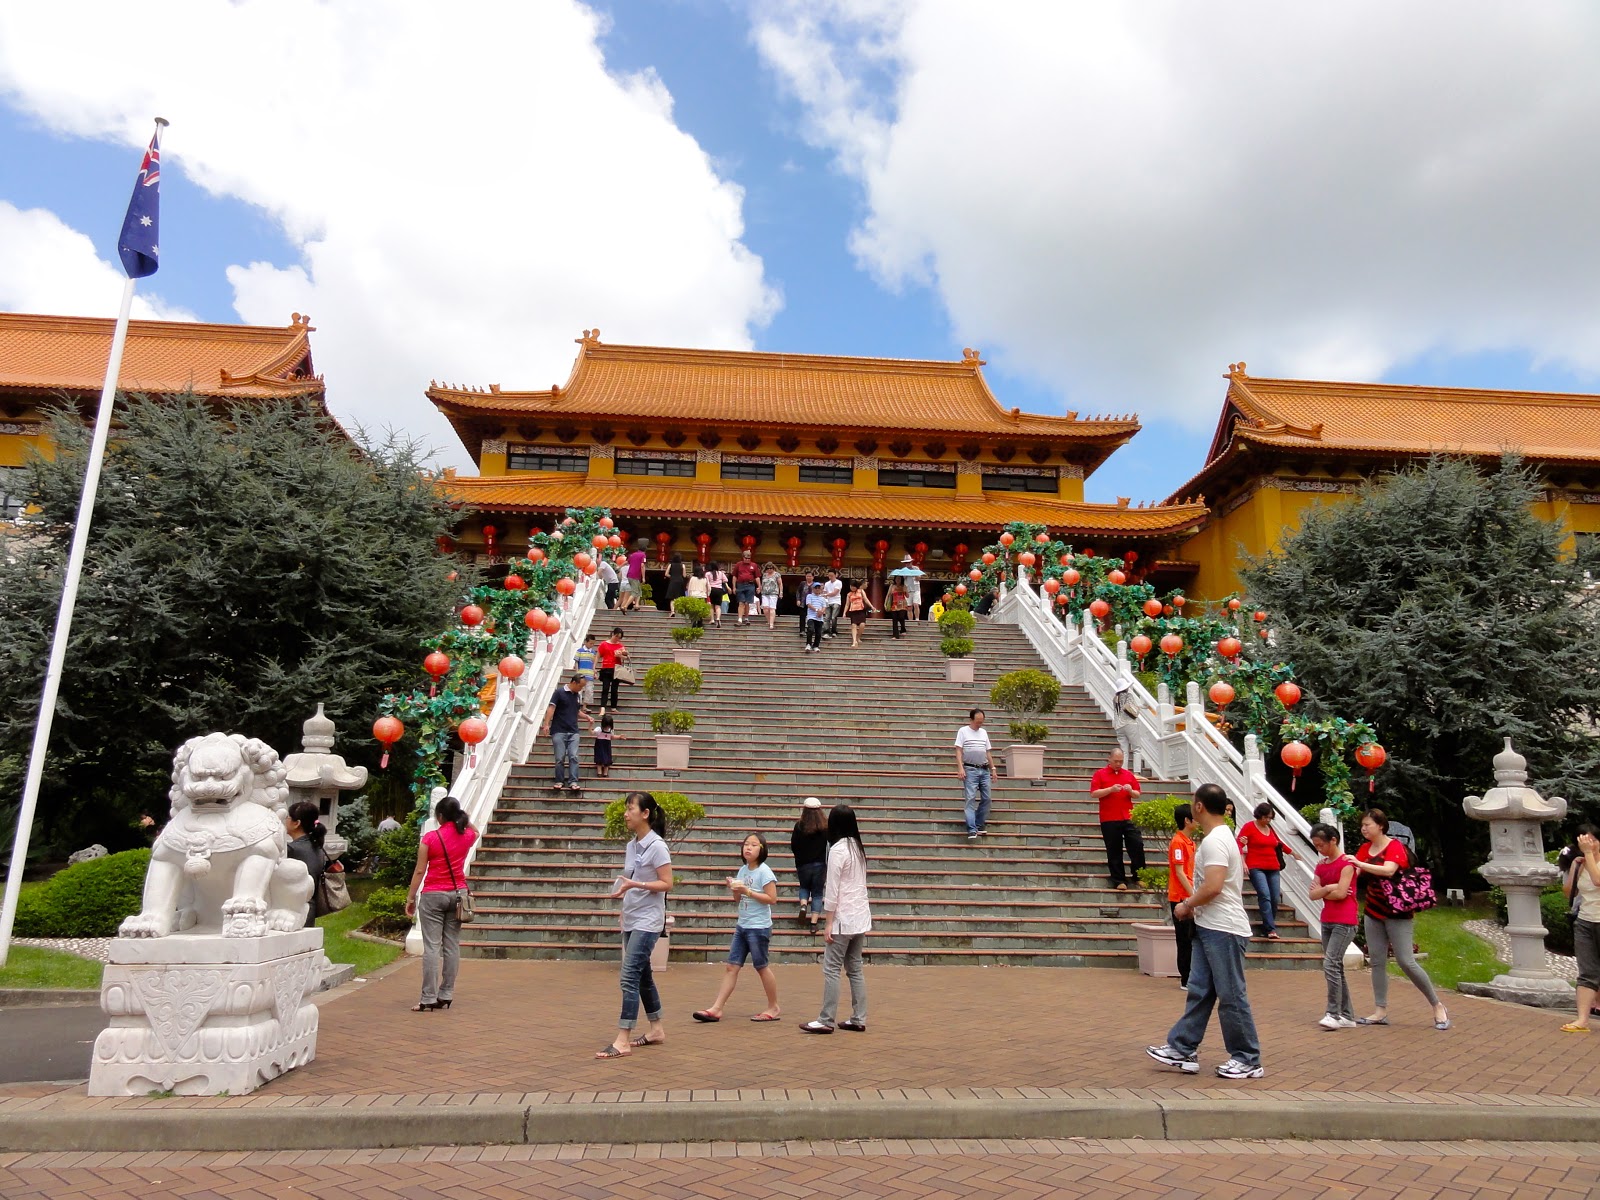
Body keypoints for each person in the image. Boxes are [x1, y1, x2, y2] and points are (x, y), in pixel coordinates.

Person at [1146, 782, 1264, 1079]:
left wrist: (1186, 905)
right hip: (1211, 925)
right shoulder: (1219, 837)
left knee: (1231, 995)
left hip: (1223, 928)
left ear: (1199, 806)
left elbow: (1213, 886)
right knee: (1200, 991)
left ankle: (1248, 1058)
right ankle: (1183, 1047)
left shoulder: (1215, 841)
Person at [1352, 807, 1449, 1030]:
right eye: (1362, 825)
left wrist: (1359, 864)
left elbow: (1388, 870)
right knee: (1377, 961)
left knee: (1406, 961)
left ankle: (1437, 1006)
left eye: (1367, 825)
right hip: (1373, 910)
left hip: (1398, 911)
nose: (1363, 829)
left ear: (1380, 826)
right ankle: (1380, 1010)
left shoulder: (1395, 846)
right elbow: (1353, 875)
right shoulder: (1365, 849)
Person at [598, 791, 672, 1058]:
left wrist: (636, 885)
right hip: (631, 916)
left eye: (630, 809)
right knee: (642, 976)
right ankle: (656, 1029)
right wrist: (623, 894)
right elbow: (629, 878)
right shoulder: (632, 845)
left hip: (649, 921)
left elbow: (667, 883)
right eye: (626, 809)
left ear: (645, 814)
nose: (626, 814)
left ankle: (623, 1039)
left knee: (628, 975)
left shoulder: (657, 846)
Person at [692, 834, 781, 1022]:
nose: (748, 848)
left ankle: (773, 1007)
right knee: (731, 966)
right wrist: (735, 889)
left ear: (762, 850)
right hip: (743, 925)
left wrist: (747, 891)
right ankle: (716, 1008)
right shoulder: (743, 870)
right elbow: (738, 900)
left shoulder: (765, 872)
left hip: (759, 927)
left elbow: (772, 898)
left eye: (754, 845)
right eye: (746, 844)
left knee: (762, 966)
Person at [800, 805, 871, 1034]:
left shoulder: (839, 850)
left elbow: (832, 890)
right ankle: (858, 1017)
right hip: (859, 916)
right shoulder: (858, 848)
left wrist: (827, 922)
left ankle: (826, 1019)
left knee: (831, 968)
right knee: (855, 969)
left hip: (843, 917)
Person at [404, 794, 477, 1012]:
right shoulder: (466, 836)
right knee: (451, 945)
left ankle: (428, 997)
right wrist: (465, 816)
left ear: (440, 816)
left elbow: (420, 870)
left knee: (432, 948)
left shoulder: (430, 838)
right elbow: (476, 830)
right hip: (458, 894)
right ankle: (446, 993)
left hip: (433, 894)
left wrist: (410, 897)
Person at [1308, 823, 1358, 1031]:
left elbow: (1342, 893)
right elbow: (1312, 894)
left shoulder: (1347, 864)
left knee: (1331, 964)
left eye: (1321, 845)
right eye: (1316, 846)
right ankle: (1346, 1015)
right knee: (1335, 966)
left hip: (1345, 920)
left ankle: (1333, 1013)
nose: (1319, 849)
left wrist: (1324, 890)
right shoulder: (1321, 865)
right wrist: (1329, 887)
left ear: (1333, 840)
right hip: (1327, 918)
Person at [1562, 825, 1600, 1033]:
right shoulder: (1582, 863)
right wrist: (1576, 867)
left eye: (1593, 840)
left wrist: (1589, 855)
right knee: (1587, 971)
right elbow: (1569, 891)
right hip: (1586, 920)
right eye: (1585, 841)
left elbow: (1598, 880)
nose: (1589, 844)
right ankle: (1582, 1019)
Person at [1090, 746, 1145, 890]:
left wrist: (1130, 790)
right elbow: (1094, 793)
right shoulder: (1100, 774)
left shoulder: (1128, 775)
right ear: (1109, 759)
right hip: (1109, 818)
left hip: (1128, 816)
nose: (1119, 764)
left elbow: (1138, 793)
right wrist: (1110, 789)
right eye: (1116, 761)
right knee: (1114, 849)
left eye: (1121, 761)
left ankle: (1139, 875)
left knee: (1137, 845)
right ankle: (1119, 879)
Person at [1237, 802, 1294, 940]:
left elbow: (1278, 843)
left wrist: (1292, 853)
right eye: (1266, 817)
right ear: (1259, 815)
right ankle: (1270, 929)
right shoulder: (1249, 827)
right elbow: (1239, 844)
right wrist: (1243, 862)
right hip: (1255, 866)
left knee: (1274, 897)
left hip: (1273, 866)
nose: (1268, 820)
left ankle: (1267, 925)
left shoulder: (1270, 828)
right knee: (1264, 894)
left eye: (1270, 818)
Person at [541, 674, 590, 793]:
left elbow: (576, 711)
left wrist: (587, 717)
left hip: (573, 730)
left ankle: (573, 781)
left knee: (573, 756)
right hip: (559, 730)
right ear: (574, 682)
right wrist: (546, 724)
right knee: (560, 757)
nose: (581, 689)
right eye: (580, 686)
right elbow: (551, 708)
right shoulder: (559, 692)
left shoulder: (577, 696)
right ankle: (559, 780)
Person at [1167, 802, 1197, 988]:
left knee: (1191, 937)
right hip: (1180, 897)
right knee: (1184, 939)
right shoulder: (1178, 842)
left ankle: (1192, 975)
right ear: (1187, 820)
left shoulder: (1190, 842)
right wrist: (1193, 894)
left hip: (1188, 895)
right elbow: (1179, 872)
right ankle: (1185, 977)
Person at [284, 801, 327, 929]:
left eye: (287, 818)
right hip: (310, 908)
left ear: (296, 823)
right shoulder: (317, 847)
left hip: (292, 910)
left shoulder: (292, 849)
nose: (284, 821)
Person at [953, 708, 993, 841]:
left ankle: (978, 824)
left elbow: (987, 752)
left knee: (987, 799)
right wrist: (960, 768)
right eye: (977, 722)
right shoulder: (963, 731)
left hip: (984, 769)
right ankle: (971, 829)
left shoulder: (984, 732)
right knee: (970, 799)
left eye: (981, 722)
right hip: (970, 769)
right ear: (971, 720)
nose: (979, 724)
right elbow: (959, 750)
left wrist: (993, 768)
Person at [791, 797, 829, 932]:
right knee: (817, 893)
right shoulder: (825, 827)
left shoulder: (799, 826)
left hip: (803, 864)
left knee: (804, 887)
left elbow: (794, 845)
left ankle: (803, 904)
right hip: (820, 864)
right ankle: (813, 923)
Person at [596, 627, 627, 710]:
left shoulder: (620, 646)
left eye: (619, 637)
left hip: (616, 668)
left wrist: (620, 655)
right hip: (606, 668)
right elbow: (598, 656)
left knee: (614, 689)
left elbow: (625, 657)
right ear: (613, 634)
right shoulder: (604, 644)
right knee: (605, 688)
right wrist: (594, 667)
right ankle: (603, 706)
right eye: (616, 636)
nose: (617, 639)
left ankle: (613, 706)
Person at [732, 549, 760, 626]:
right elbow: (734, 576)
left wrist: (759, 586)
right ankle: (740, 619)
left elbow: (757, 577)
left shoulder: (754, 565)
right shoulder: (738, 564)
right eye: (746, 558)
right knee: (741, 602)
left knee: (747, 603)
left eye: (749, 558)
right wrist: (734, 587)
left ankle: (746, 618)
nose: (747, 559)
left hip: (750, 585)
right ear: (743, 557)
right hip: (740, 585)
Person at [844, 579, 874, 647]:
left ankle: (858, 637)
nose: (852, 588)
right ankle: (854, 641)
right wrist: (844, 612)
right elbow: (847, 604)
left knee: (862, 625)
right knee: (853, 625)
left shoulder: (861, 591)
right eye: (851, 586)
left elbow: (866, 599)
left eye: (853, 586)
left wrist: (872, 606)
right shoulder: (849, 594)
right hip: (853, 611)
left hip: (861, 609)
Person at [572, 633, 598, 707]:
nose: (592, 645)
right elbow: (576, 662)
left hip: (589, 675)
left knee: (589, 691)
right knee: (579, 690)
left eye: (593, 644)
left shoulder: (593, 652)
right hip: (581, 674)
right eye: (590, 643)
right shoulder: (580, 651)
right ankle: (578, 706)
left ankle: (585, 706)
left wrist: (594, 673)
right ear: (586, 642)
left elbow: (593, 664)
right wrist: (577, 672)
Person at [803, 581, 828, 652]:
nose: (817, 589)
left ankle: (816, 645)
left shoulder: (822, 598)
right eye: (815, 588)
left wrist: (821, 612)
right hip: (811, 616)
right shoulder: (809, 596)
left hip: (819, 618)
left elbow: (824, 607)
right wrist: (817, 610)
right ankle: (808, 644)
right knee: (810, 629)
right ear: (813, 589)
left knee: (818, 633)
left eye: (818, 588)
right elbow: (809, 605)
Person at [593, 710, 617, 778]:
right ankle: (599, 771)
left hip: (607, 745)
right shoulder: (599, 729)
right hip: (599, 745)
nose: (607, 728)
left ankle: (606, 772)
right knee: (599, 757)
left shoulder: (610, 731)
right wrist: (590, 726)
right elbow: (592, 732)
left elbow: (612, 737)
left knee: (607, 757)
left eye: (609, 726)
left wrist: (620, 737)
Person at [759, 562, 783, 630]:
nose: (769, 570)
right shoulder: (764, 575)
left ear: (773, 568)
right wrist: (759, 588)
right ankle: (769, 621)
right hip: (765, 593)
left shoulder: (777, 575)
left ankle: (771, 624)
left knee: (772, 608)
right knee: (765, 608)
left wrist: (781, 592)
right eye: (768, 568)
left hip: (773, 593)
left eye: (771, 568)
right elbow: (762, 584)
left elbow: (780, 584)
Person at [705, 561, 729, 627]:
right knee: (718, 606)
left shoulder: (708, 574)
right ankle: (718, 618)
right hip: (719, 590)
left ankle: (712, 619)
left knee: (711, 606)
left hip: (711, 590)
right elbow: (726, 580)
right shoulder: (720, 573)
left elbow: (706, 582)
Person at [898, 555, 922, 621]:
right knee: (909, 607)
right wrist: (907, 573)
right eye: (906, 563)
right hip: (908, 590)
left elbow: (918, 578)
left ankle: (917, 619)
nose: (907, 564)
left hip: (916, 589)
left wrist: (914, 574)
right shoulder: (904, 570)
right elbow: (904, 578)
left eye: (908, 562)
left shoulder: (916, 568)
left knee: (916, 604)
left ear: (911, 562)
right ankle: (910, 620)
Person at [624, 545, 647, 610]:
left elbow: (627, 562)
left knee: (639, 590)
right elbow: (642, 566)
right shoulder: (643, 555)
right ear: (645, 550)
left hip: (630, 575)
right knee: (635, 592)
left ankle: (637, 605)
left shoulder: (633, 554)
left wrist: (619, 567)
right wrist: (643, 577)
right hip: (635, 576)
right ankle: (625, 606)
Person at [821, 569, 843, 638]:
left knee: (833, 617)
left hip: (836, 601)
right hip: (828, 601)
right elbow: (824, 592)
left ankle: (834, 631)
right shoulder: (827, 583)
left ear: (835, 575)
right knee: (827, 617)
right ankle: (826, 631)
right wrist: (824, 597)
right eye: (829, 576)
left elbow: (834, 593)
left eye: (832, 576)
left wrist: (826, 595)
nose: (830, 577)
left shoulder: (838, 582)